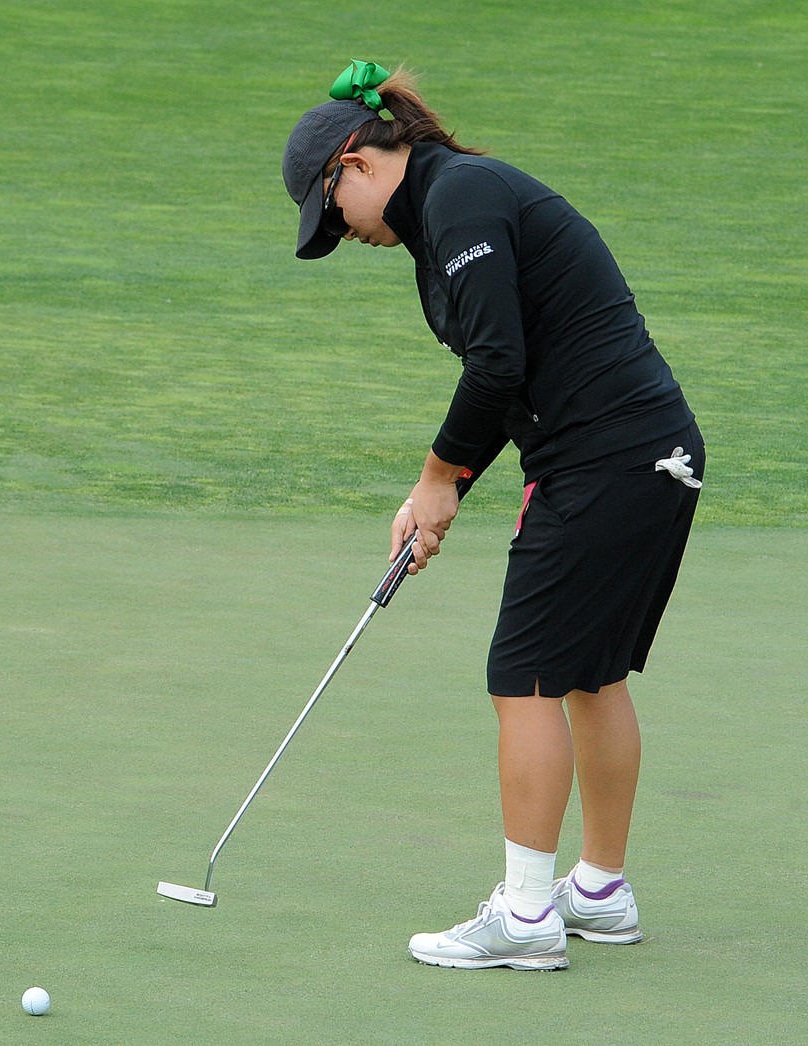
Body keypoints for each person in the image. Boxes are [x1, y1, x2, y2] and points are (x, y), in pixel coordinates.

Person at [282, 61, 706, 971]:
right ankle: (598, 890)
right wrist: (437, 498)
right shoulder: (452, 209)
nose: (344, 235)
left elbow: (497, 366)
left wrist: (438, 477)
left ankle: (524, 917)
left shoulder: (460, 199)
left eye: (333, 212)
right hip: (646, 458)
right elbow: (511, 380)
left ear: (353, 162)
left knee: (525, 678)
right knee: (591, 675)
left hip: (606, 464)